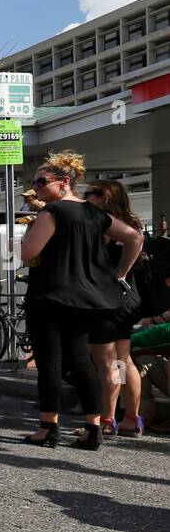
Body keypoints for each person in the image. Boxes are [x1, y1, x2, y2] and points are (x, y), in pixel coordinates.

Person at [21, 152, 143, 448]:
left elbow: (28, 254)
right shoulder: (96, 214)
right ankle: (94, 427)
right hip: (86, 299)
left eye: (41, 182)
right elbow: (134, 238)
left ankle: (48, 426)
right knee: (82, 362)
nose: (36, 188)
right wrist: (120, 274)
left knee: (50, 361)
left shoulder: (51, 213)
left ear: (64, 182)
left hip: (49, 295)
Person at [82, 180, 151, 437]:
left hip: (108, 299)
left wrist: (117, 275)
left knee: (105, 362)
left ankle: (107, 419)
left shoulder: (105, 224)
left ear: (103, 197)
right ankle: (132, 418)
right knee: (123, 360)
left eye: (88, 194)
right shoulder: (131, 222)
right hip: (129, 297)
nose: (84, 197)